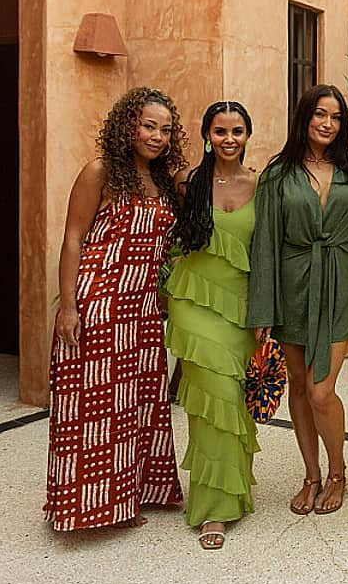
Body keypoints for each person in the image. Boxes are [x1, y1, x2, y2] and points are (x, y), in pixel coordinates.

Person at [45, 87, 187, 531]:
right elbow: (73, 238)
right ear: (128, 125)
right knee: (93, 408)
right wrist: (68, 308)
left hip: (143, 310)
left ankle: (133, 496)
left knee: (137, 405)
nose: (157, 137)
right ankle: (86, 506)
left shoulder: (163, 180)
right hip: (100, 303)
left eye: (165, 130)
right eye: (149, 126)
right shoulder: (100, 171)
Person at [248, 85, 348, 516]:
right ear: (304, 118)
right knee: (301, 389)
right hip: (292, 284)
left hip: (340, 281)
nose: (328, 124)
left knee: (322, 388)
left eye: (337, 117)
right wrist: (262, 310)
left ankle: (339, 472)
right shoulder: (278, 173)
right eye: (320, 115)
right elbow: (265, 243)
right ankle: (311, 474)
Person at [165, 101, 261, 550]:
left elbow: (265, 254)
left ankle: (235, 487)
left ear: (247, 135)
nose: (228, 139)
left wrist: (265, 313)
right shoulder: (188, 181)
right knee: (210, 400)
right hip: (193, 301)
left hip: (240, 308)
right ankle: (213, 509)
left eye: (237, 131)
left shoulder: (259, 184)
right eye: (220, 131)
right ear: (206, 134)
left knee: (233, 399)